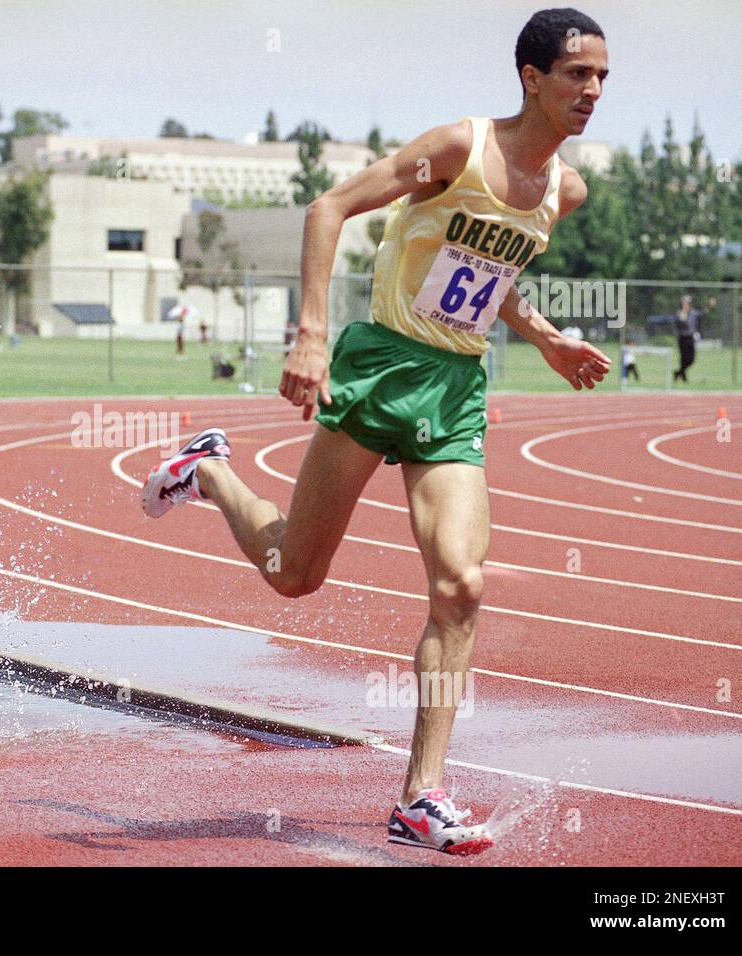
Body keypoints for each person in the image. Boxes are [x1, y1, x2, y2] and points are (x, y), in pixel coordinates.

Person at [142, 8, 611, 855]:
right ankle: (211, 471)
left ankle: (420, 797)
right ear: (532, 78)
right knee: (294, 575)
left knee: (461, 585)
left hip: (456, 386)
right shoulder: (457, 149)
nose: (594, 92)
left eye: (604, 78)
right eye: (579, 75)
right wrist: (312, 333)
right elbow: (329, 208)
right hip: (381, 365)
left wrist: (545, 338)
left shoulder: (566, 192)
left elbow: (490, 272)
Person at [672, 295, 700, 383]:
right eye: (684, 303)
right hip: (682, 338)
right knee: (683, 358)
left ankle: (678, 372)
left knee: (691, 359)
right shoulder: (679, 313)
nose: (686, 305)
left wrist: (710, 306)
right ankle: (683, 376)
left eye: (687, 303)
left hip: (691, 338)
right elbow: (681, 323)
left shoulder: (693, 313)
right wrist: (683, 313)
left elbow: (702, 313)